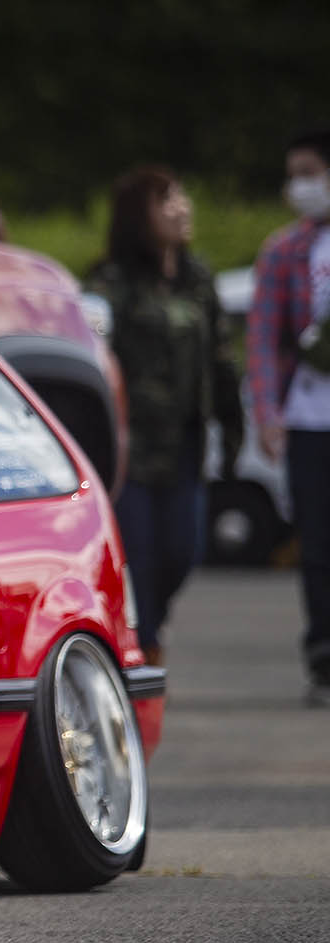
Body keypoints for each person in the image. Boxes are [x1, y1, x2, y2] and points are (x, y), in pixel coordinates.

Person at [85, 166, 242, 667]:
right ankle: (143, 644)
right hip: (130, 450)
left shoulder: (198, 279)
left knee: (183, 550)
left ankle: (149, 625)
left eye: (182, 197)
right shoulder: (110, 283)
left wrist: (232, 422)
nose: (182, 208)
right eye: (167, 200)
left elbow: (219, 357)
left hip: (185, 443)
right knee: (140, 555)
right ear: (139, 215)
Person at [247, 128, 330, 706]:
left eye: (308, 171)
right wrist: (269, 414)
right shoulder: (285, 250)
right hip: (310, 420)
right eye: (293, 174)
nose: (298, 185)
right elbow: (262, 338)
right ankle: (324, 656)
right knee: (318, 544)